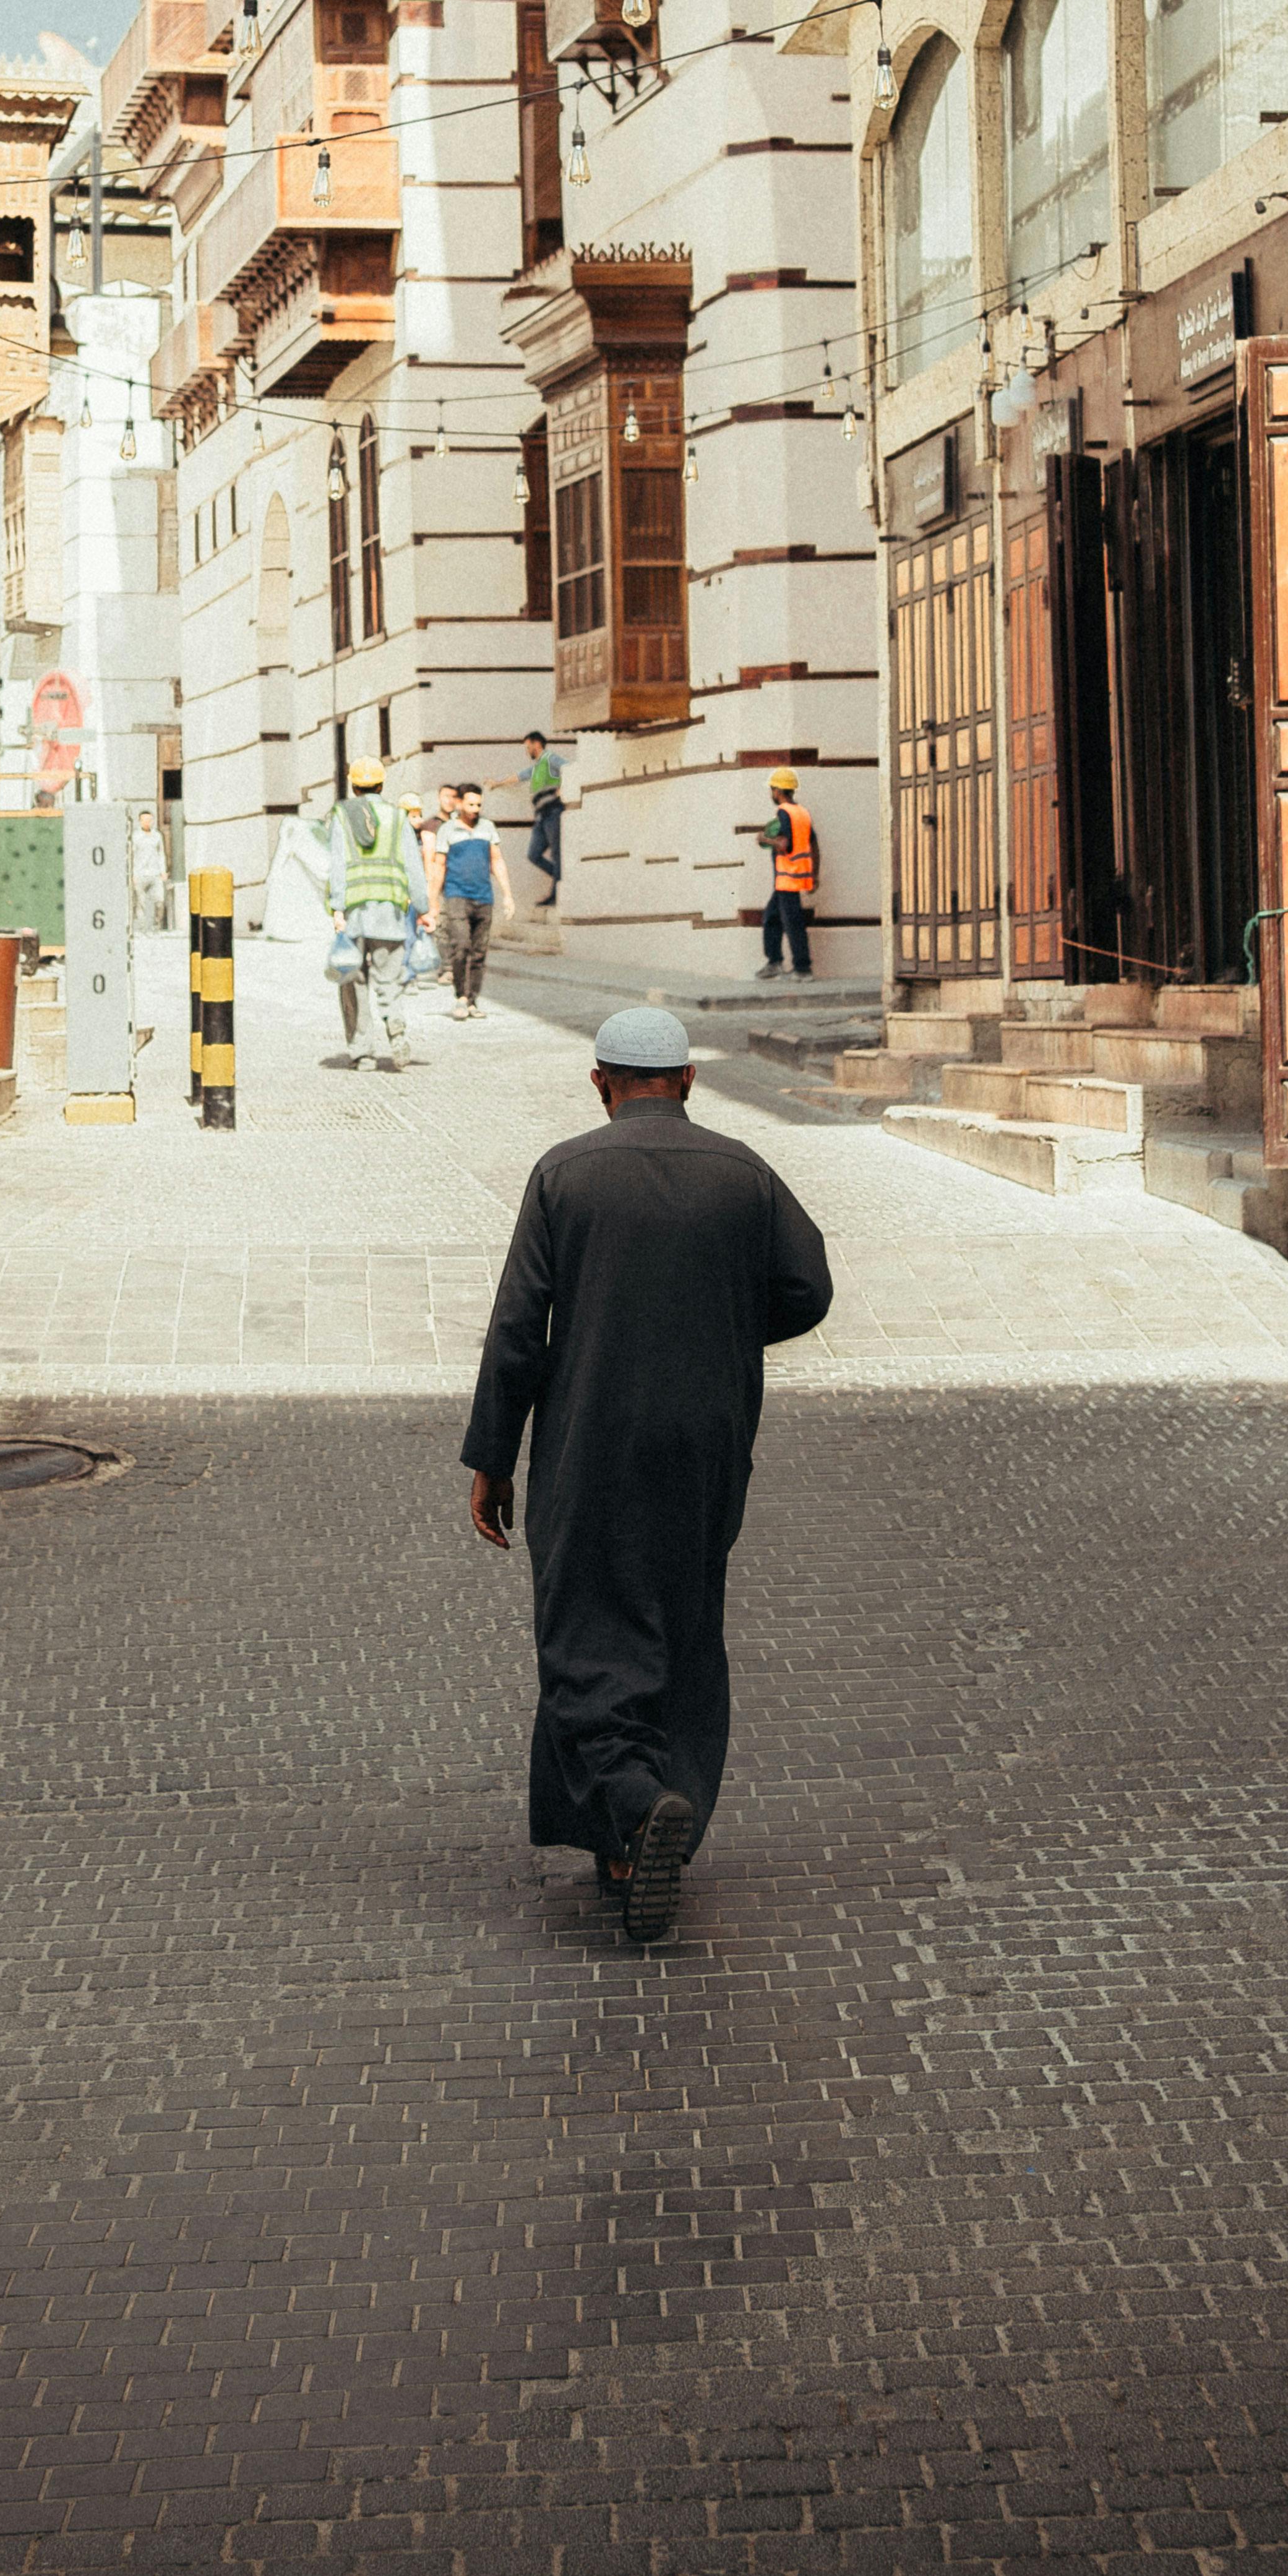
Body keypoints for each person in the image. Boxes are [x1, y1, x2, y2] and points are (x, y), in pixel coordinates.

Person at [462, 1003, 833, 1947]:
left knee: (585, 1626)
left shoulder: (565, 1173)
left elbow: (516, 1332)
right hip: (708, 1441)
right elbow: (807, 1287)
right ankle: (637, 1848)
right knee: (679, 1619)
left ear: (598, 1081)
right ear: (688, 1082)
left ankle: (634, 1800)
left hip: (594, 1439)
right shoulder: (744, 1173)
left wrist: (491, 1458)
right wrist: (713, 1325)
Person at [326, 758, 425, 1070]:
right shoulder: (398, 818)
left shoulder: (343, 816)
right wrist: (423, 909)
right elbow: (414, 868)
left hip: (355, 912)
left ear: (353, 786)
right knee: (390, 979)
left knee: (353, 983)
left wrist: (337, 908)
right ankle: (395, 1025)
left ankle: (363, 1053)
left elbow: (337, 865)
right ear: (382, 785)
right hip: (391, 912)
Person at [435, 781, 514, 1017]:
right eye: (471, 804)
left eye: (479, 804)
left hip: (483, 897)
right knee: (461, 947)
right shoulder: (447, 830)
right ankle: (460, 995)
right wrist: (432, 901)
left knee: (479, 952)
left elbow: (497, 861)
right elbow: (439, 866)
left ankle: (472, 1001)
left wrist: (508, 895)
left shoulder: (487, 827)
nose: (475, 809)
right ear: (459, 803)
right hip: (457, 896)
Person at [752, 765, 818, 977]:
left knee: (792, 924)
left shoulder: (784, 813)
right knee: (772, 917)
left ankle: (803, 969)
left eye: (773, 789)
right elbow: (814, 846)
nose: (772, 793)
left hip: (786, 879)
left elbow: (784, 845)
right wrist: (814, 876)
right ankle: (775, 962)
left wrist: (765, 840)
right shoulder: (802, 813)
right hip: (796, 878)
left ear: (778, 791)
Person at [523, 730, 564, 898]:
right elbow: (521, 776)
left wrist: (563, 788)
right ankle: (561, 877)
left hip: (553, 812)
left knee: (557, 854)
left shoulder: (550, 758)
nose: (527, 751)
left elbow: (568, 767)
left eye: (528, 747)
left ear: (536, 744)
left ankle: (556, 894)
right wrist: (497, 783)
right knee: (533, 855)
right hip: (541, 815)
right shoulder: (538, 767)